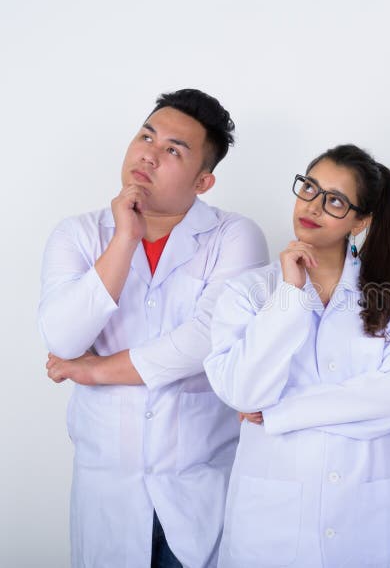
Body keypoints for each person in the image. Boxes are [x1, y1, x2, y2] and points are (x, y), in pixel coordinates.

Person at [39, 89, 269, 567]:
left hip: (196, 490)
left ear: (203, 180)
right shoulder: (78, 235)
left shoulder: (235, 236)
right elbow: (62, 339)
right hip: (108, 492)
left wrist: (95, 370)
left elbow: (204, 340)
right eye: (146, 135)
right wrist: (125, 238)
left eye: (172, 150)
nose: (148, 153)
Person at [204, 144, 390, 567]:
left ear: (361, 221)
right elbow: (245, 393)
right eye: (309, 188)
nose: (313, 206)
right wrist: (289, 294)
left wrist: (281, 413)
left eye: (335, 200)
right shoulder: (250, 292)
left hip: (364, 507)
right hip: (273, 514)